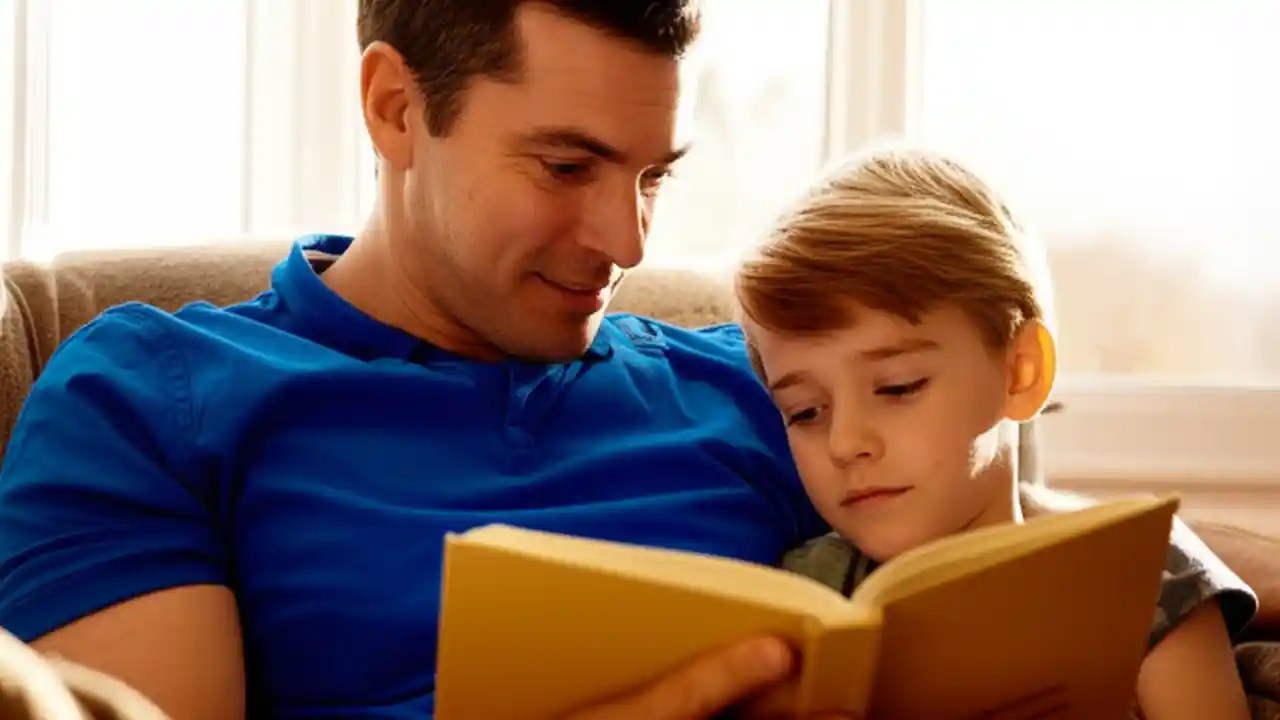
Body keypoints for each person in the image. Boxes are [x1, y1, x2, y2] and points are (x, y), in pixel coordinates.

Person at [0, 1, 849, 718]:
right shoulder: (147, 400)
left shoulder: (770, 386)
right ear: (396, 107)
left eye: (653, 177)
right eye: (565, 167)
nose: (624, 242)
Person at [735, 146, 1258, 719]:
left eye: (898, 387)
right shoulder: (801, 596)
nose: (845, 442)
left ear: (1019, 372)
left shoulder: (1145, 575)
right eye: (807, 411)